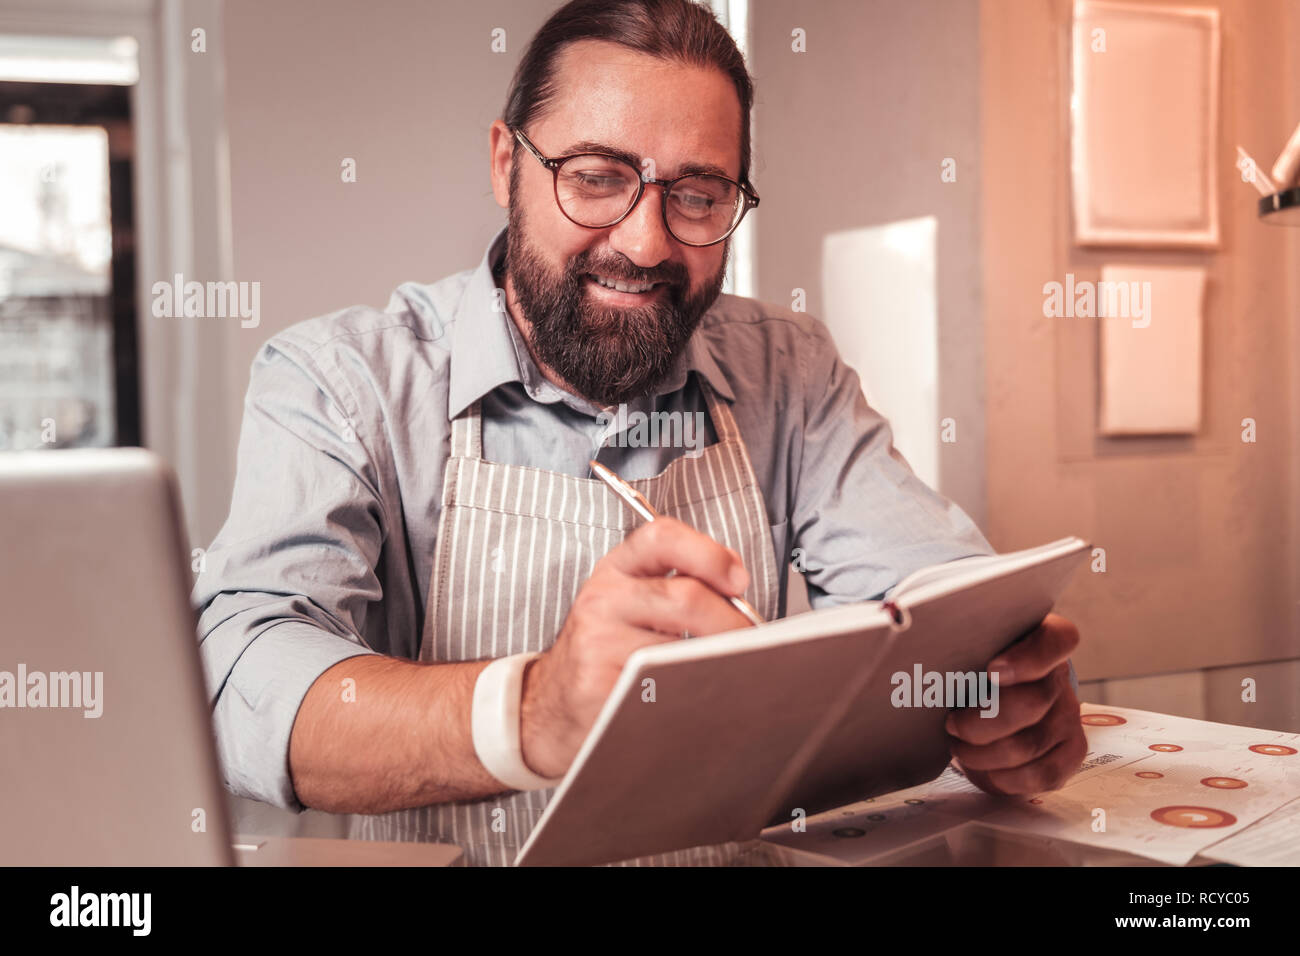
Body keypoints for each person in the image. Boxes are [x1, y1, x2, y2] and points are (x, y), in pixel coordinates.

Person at [195, 0, 1085, 867]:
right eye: (595, 178)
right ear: (506, 162)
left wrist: (999, 694)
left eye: (698, 195)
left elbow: (940, 598)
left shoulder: (789, 367)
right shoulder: (342, 380)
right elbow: (241, 678)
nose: (648, 241)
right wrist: (535, 709)